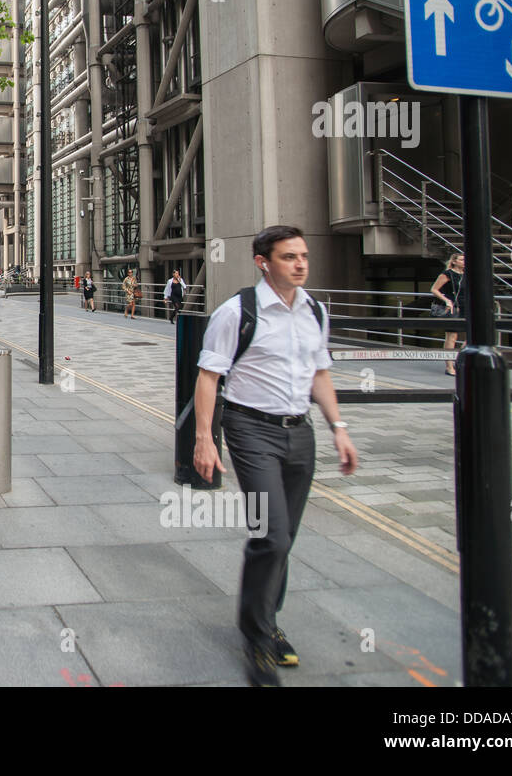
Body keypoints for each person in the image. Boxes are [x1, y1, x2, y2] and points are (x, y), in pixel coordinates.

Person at [192, 225, 358, 687]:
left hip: (299, 433)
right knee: (272, 536)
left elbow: (319, 374)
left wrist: (338, 430)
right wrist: (205, 439)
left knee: (285, 536)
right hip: (250, 430)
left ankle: (266, 617)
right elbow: (209, 377)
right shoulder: (237, 312)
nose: (301, 264)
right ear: (263, 262)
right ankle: (258, 636)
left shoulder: (315, 312)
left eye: (303, 255)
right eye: (289, 257)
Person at [430, 253, 466, 376]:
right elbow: (434, 289)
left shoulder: (467, 274)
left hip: (466, 307)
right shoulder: (448, 274)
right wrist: (446, 300)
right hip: (452, 308)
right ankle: (449, 367)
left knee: (473, 336)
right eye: (461, 259)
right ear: (454, 261)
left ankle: (459, 358)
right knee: (452, 336)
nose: (464, 261)